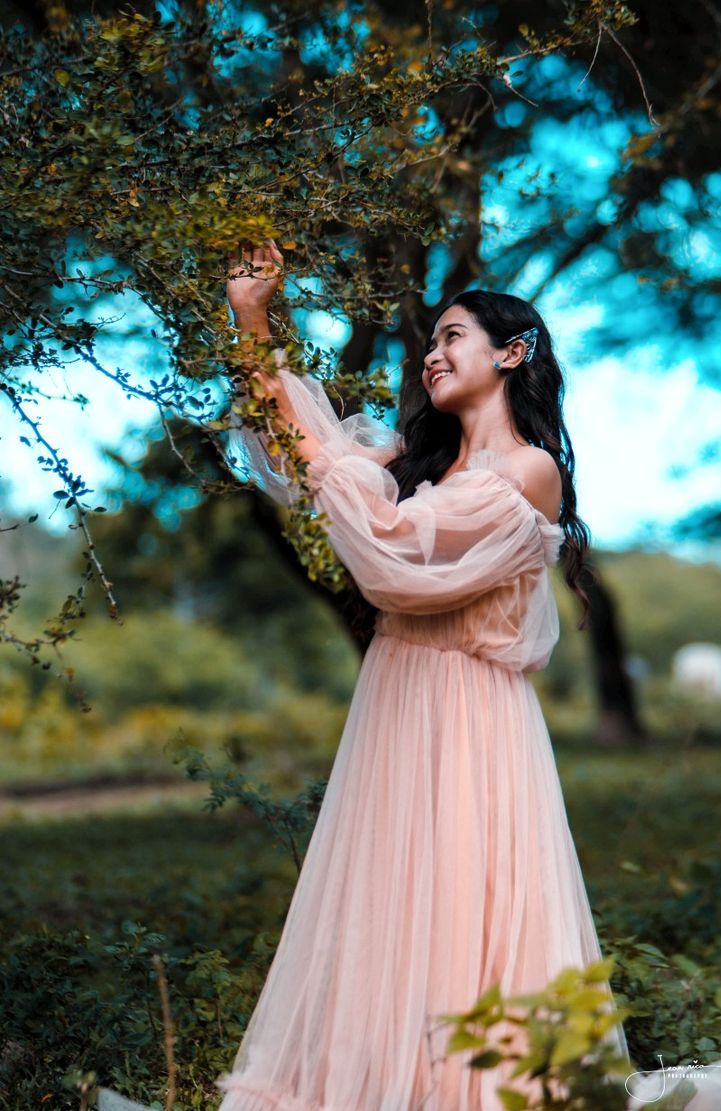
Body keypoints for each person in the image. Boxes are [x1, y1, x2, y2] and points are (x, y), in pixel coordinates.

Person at [217, 240, 629, 1110]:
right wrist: (252, 320)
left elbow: (393, 560)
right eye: (429, 343)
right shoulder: (418, 465)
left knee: (460, 893)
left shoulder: (528, 473)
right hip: (396, 698)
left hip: (469, 711)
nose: (433, 354)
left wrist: (346, 476)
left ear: (511, 352)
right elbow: (307, 460)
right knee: (386, 897)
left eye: (453, 336)